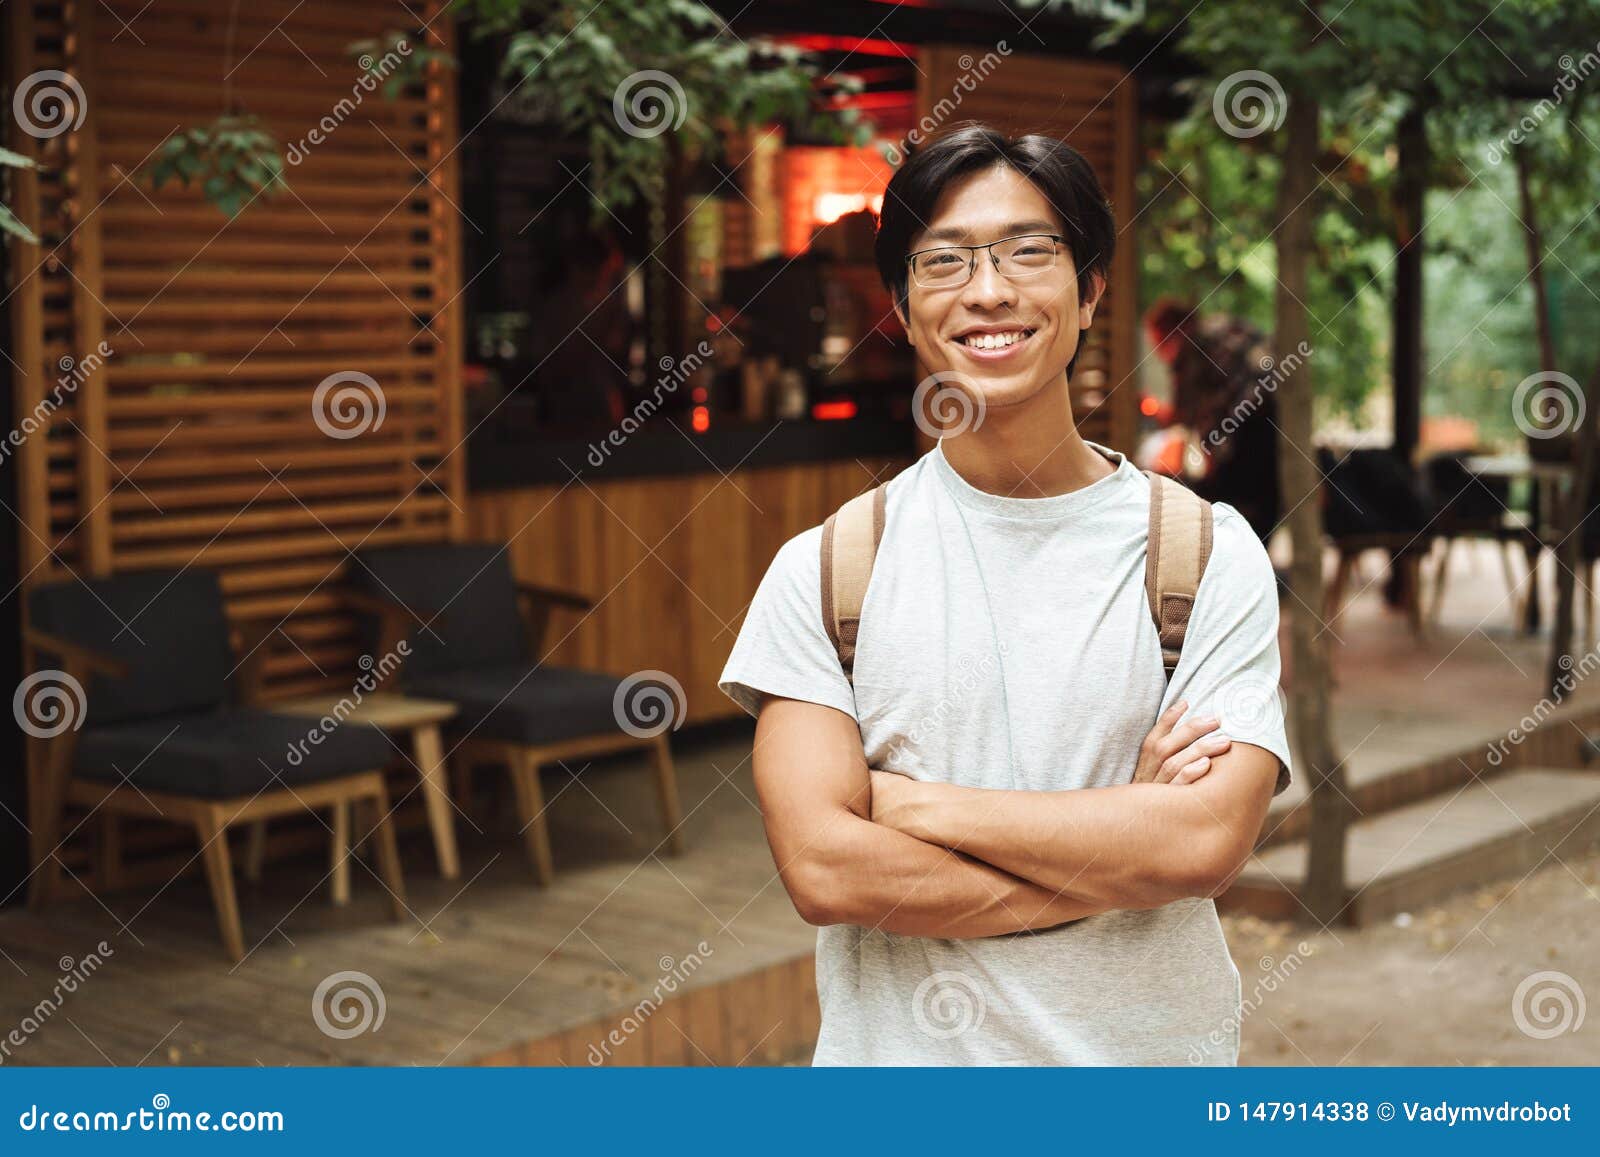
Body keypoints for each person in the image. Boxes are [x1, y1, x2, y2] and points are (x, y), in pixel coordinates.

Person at [719, 124, 1291, 1066]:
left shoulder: (1203, 552)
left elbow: (1200, 843)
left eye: (1029, 250)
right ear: (901, 307)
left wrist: (913, 807)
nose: (989, 290)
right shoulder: (824, 569)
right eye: (943, 261)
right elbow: (824, 868)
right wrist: (1118, 849)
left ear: (1091, 286)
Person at [1144, 297, 1281, 541]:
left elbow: (1187, 416)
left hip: (1243, 439)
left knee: (1230, 517)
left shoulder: (1191, 348)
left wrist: (1148, 407)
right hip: (1276, 426)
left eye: (1158, 344)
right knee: (1260, 514)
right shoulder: (1228, 326)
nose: (1159, 353)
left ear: (1169, 333)